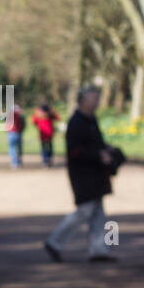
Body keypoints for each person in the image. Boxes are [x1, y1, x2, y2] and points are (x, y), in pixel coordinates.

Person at [44, 86, 117, 263]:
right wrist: (98, 154)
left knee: (98, 211)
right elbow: (74, 151)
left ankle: (98, 250)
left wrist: (106, 149)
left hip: (96, 172)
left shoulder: (91, 120)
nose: (97, 102)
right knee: (86, 209)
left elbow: (95, 143)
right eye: (93, 98)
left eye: (97, 98)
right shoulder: (76, 122)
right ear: (83, 101)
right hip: (82, 174)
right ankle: (55, 242)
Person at [31, 101, 58, 167]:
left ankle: (45, 161)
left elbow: (33, 121)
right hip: (49, 133)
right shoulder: (50, 113)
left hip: (43, 133)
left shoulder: (38, 113)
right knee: (49, 146)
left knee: (44, 147)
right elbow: (58, 118)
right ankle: (49, 159)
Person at [4, 101, 26, 168]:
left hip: (11, 133)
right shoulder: (20, 115)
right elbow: (24, 125)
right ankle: (19, 162)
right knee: (19, 148)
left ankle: (14, 163)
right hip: (18, 133)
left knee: (12, 148)